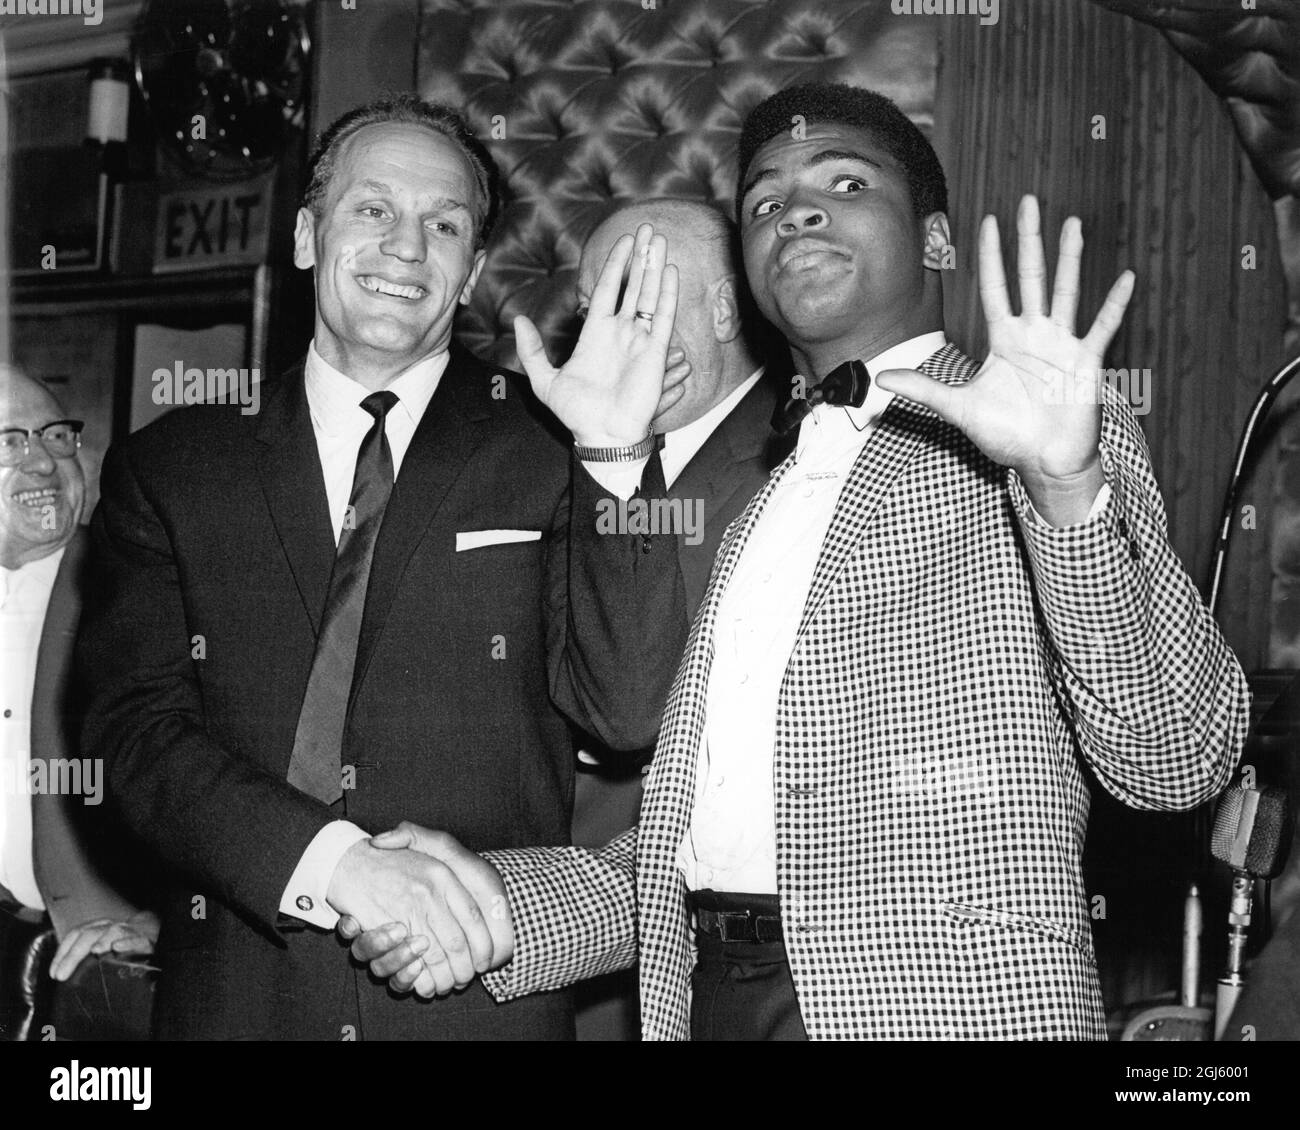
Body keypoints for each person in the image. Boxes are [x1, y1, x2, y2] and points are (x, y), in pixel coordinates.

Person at [348, 83, 1250, 1041]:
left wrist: (1064, 491)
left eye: (846, 181)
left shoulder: (1039, 430)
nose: (798, 210)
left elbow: (1176, 760)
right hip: (712, 1005)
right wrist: (491, 903)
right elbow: (707, 857)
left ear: (937, 241)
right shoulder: (765, 503)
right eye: (765, 204)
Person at [76, 94, 689, 1040]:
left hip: (478, 1008)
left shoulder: (549, 446)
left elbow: (628, 710)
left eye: (444, 225)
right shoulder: (173, 466)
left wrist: (613, 455)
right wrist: (339, 865)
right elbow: (134, 738)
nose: (408, 246)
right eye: (373, 210)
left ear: (474, 269)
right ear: (307, 235)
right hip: (243, 1001)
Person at [570, 198, 791, 1040]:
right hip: (539, 919)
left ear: (725, 309)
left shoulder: (795, 458)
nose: (611, 343)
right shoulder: (572, 454)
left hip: (675, 944)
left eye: (637, 305)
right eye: (594, 316)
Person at [0, 366, 157, 1038]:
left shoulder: (144, 591)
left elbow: (225, 782)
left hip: (83, 970)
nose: (41, 462)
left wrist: (157, 921)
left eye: (55, 436)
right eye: (8, 442)